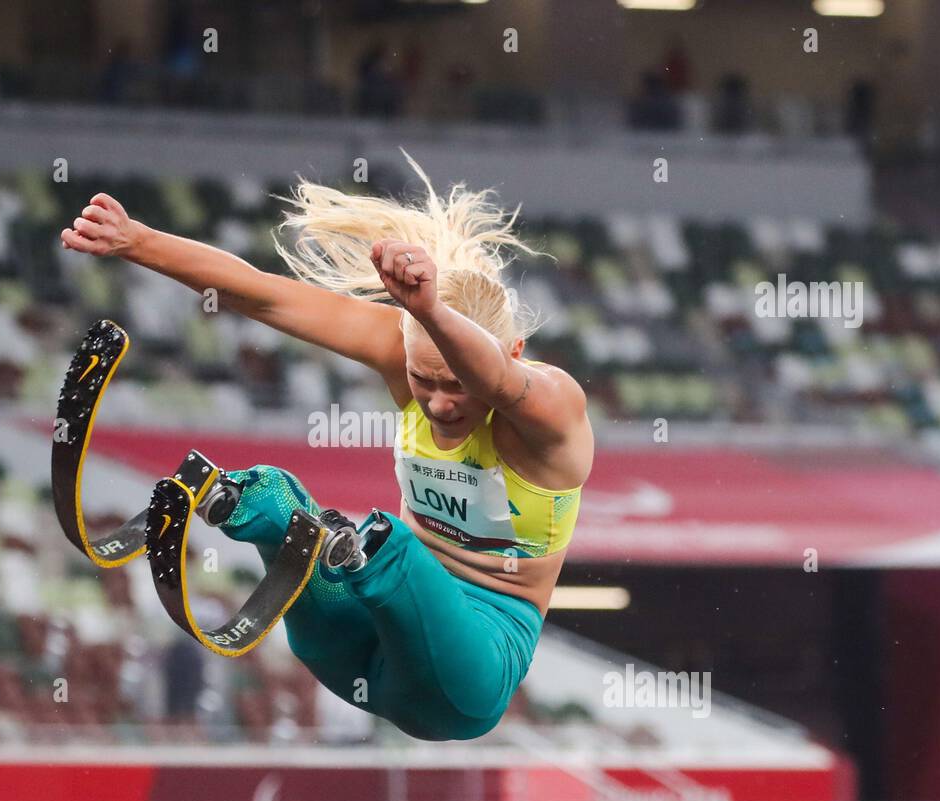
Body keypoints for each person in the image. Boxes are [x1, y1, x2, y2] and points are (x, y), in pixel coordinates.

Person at [59, 151, 594, 741]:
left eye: (455, 386)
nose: (439, 404)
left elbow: (491, 378)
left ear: (513, 352)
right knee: (279, 493)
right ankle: (233, 502)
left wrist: (431, 310)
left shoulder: (552, 410)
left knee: (394, 542)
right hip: (353, 651)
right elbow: (265, 296)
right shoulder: (406, 344)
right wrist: (138, 241)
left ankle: (358, 552)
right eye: (423, 381)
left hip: (463, 681)